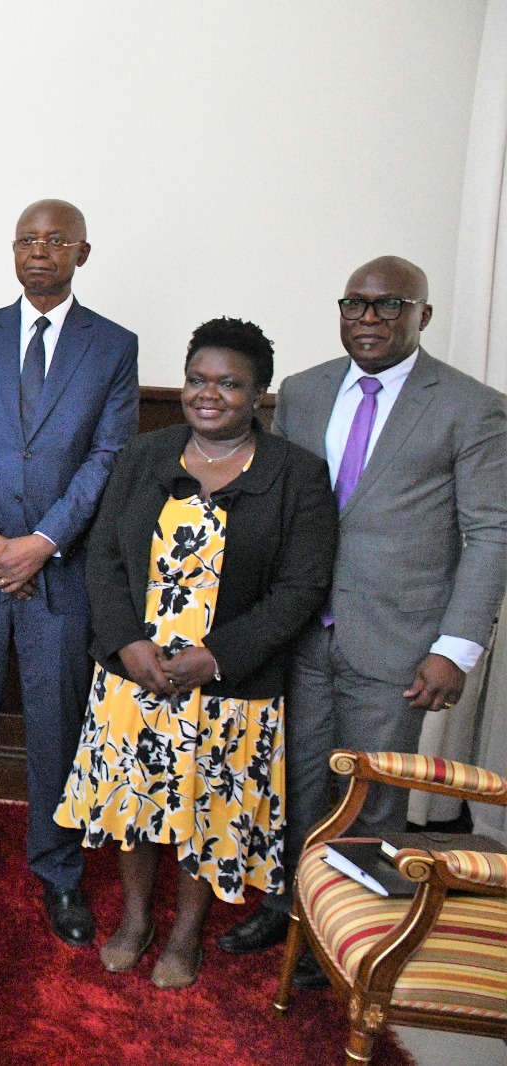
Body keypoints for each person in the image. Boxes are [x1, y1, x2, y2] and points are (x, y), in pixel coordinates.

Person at [219, 256, 507, 985]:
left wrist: (455, 648)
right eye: (355, 304)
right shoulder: (306, 389)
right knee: (296, 779)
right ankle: (287, 905)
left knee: (372, 793)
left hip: (398, 639)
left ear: (423, 316)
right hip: (299, 628)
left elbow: (491, 533)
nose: (369, 318)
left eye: (389, 305)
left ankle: (351, 929)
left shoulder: (471, 407)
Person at [54, 318, 337, 988]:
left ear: (259, 394)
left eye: (229, 384)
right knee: (135, 805)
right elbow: (103, 559)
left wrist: (216, 657)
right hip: (136, 676)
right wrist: (127, 644)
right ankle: (136, 920)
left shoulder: (297, 474)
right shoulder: (143, 456)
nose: (208, 394)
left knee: (206, 813)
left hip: (229, 686)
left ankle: (185, 934)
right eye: (196, 379)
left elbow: (300, 589)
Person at [0, 200, 138, 946]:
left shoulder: (113, 345)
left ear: (83, 251)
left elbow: (109, 456)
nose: (38, 251)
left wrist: (42, 542)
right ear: (12, 251)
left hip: (60, 571)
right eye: (26, 239)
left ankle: (57, 869)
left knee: (56, 727)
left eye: (54, 240)